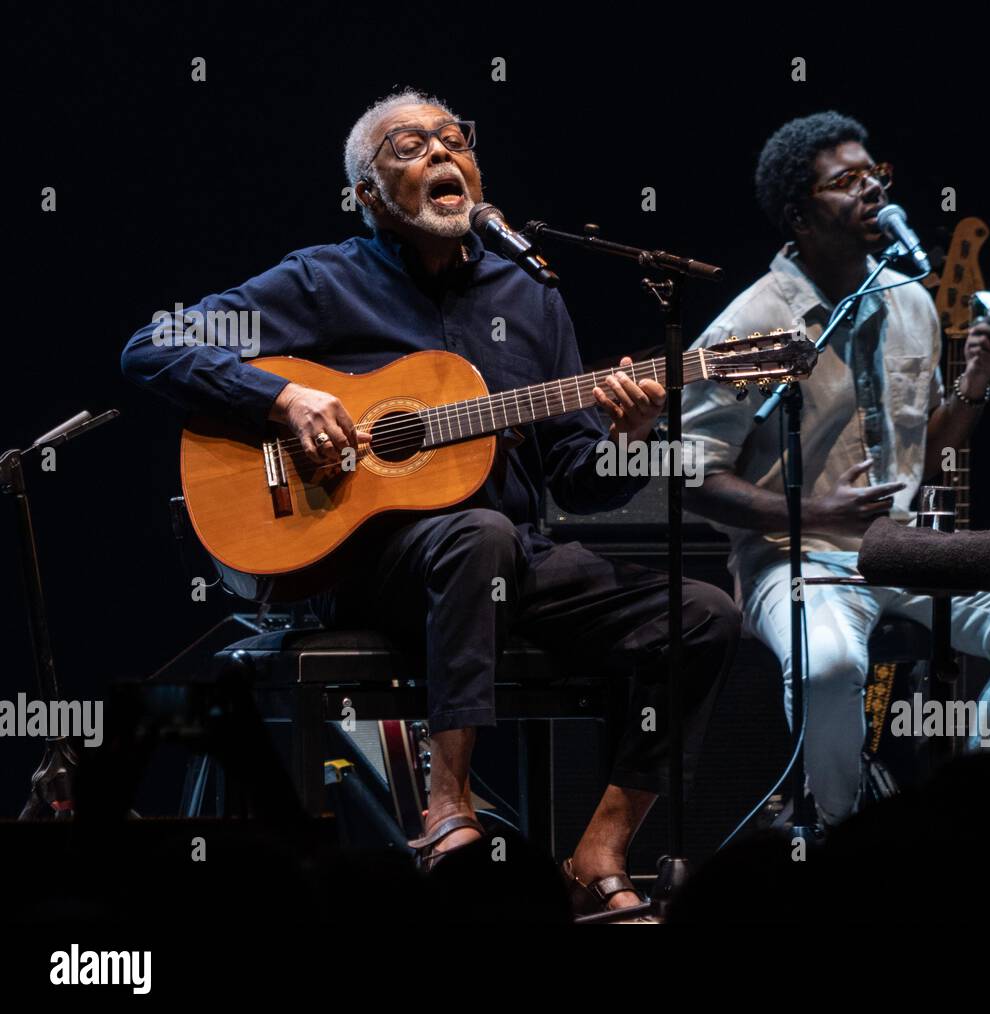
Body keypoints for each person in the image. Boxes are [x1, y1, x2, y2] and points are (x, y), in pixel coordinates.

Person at [122, 88, 740, 913]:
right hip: (375, 566)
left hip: (516, 561)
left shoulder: (531, 291)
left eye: (455, 141)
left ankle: (600, 851)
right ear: (369, 195)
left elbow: (575, 477)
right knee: (475, 532)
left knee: (702, 612)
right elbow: (155, 344)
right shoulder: (321, 281)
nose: (443, 156)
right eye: (410, 147)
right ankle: (447, 803)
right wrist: (284, 403)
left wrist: (629, 437)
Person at [682, 111, 990, 827]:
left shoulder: (910, 301)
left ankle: (973, 811)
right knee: (829, 667)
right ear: (800, 216)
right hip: (792, 556)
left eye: (876, 174)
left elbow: (932, 453)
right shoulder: (750, 323)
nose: (872, 189)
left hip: (900, 546)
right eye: (846, 181)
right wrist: (815, 514)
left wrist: (977, 379)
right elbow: (690, 475)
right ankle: (843, 830)